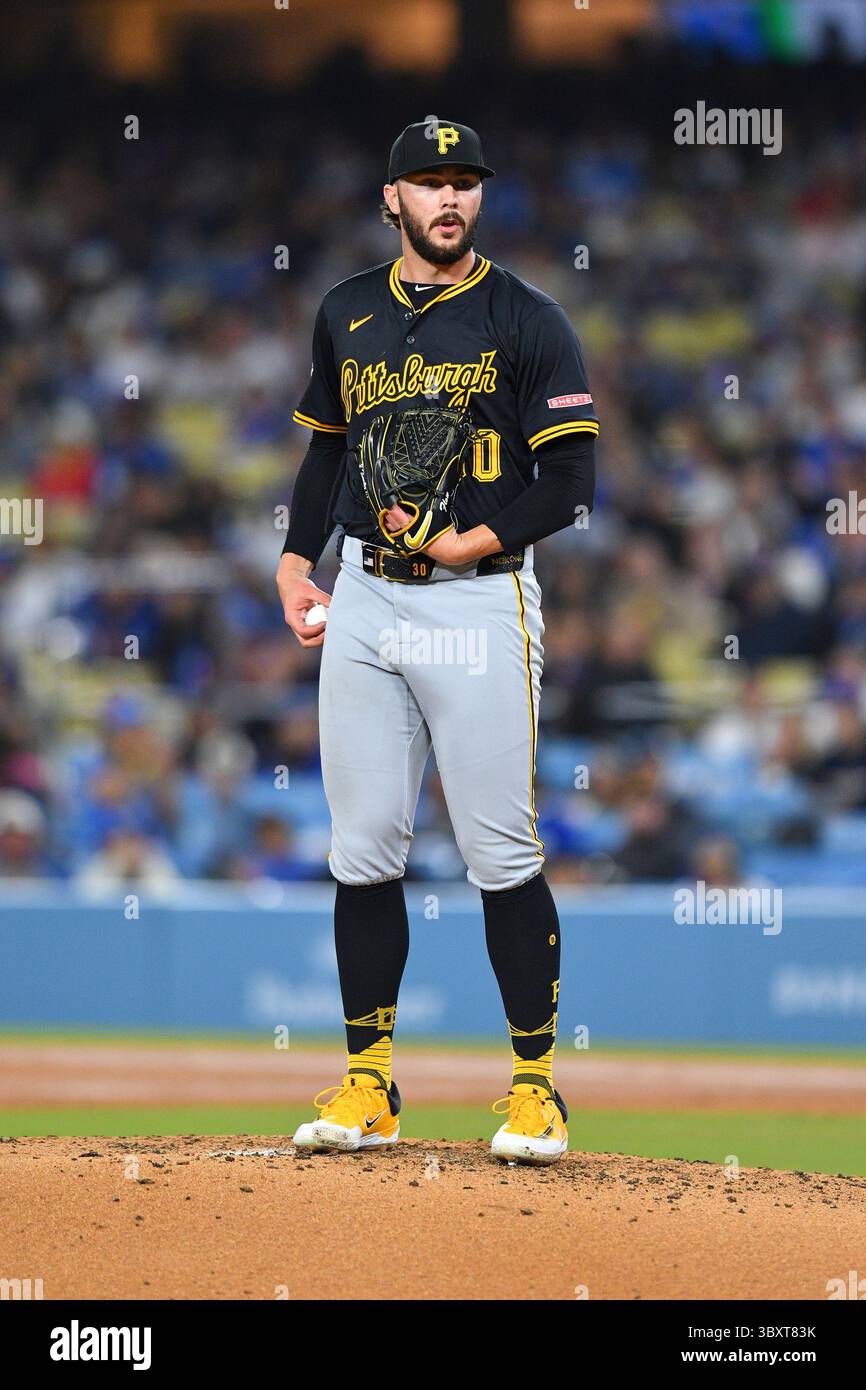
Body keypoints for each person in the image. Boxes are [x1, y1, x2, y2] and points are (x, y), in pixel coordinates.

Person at [276, 119, 597, 1164]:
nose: (448, 197)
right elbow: (327, 456)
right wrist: (296, 560)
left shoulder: (527, 317)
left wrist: (470, 540)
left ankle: (535, 1088)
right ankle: (368, 1083)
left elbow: (570, 481)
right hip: (365, 593)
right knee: (362, 845)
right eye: (428, 180)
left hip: (476, 599)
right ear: (391, 198)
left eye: (463, 181)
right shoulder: (346, 312)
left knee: (498, 849)